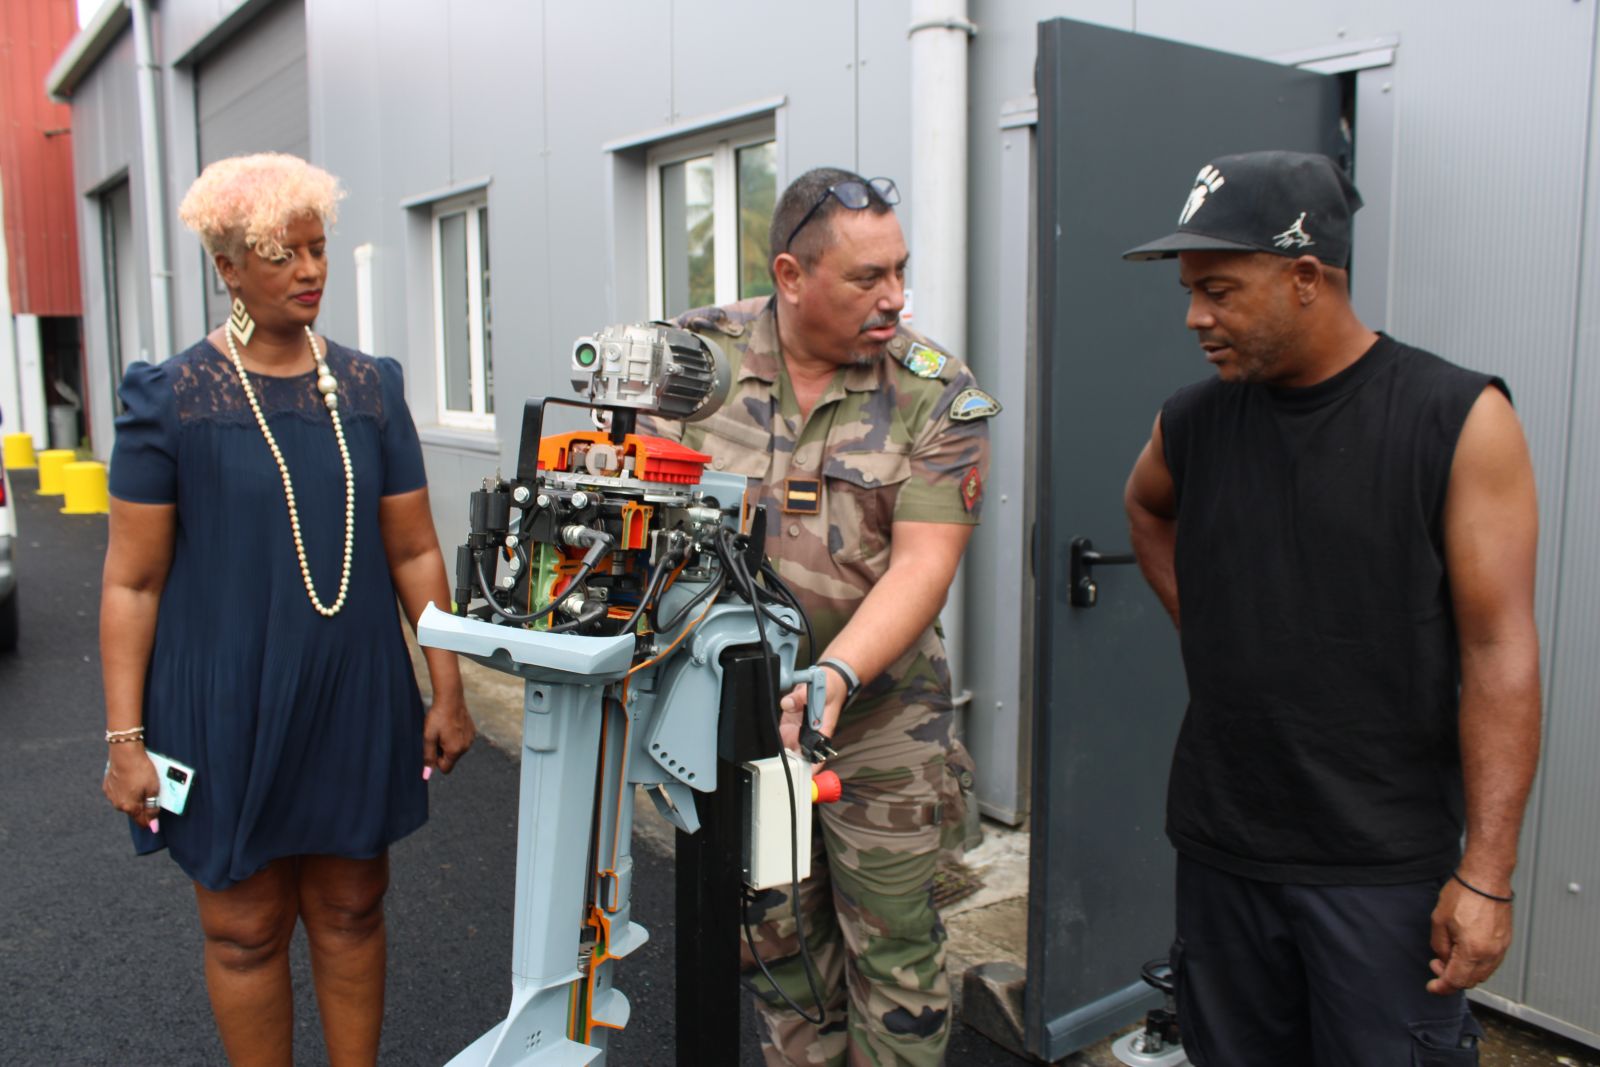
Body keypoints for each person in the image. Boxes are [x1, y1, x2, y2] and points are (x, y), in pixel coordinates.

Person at [1120, 150, 1541, 1066]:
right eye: (1190, 291)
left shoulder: (1456, 418)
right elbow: (1146, 506)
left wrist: (1488, 874)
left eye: (1219, 291)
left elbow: (1500, 649)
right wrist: (1212, 628)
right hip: (1225, 849)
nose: (1195, 317)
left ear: (1306, 277)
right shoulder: (1193, 421)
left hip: (1380, 868)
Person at [99, 152, 475, 1066]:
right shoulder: (172, 399)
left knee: (352, 909)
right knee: (244, 929)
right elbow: (130, 582)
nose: (311, 271)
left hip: (352, 695)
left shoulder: (371, 388)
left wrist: (448, 685)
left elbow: (414, 549)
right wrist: (124, 739)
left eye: (318, 248)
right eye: (284, 254)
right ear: (227, 267)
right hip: (222, 705)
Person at [641, 167, 996, 1065]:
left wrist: (835, 673)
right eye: (868, 276)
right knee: (776, 945)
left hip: (881, 718)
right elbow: (638, 510)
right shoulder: (694, 361)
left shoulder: (935, 389)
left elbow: (924, 565)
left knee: (895, 950)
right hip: (739, 713)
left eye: (900, 271)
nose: (896, 297)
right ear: (791, 275)